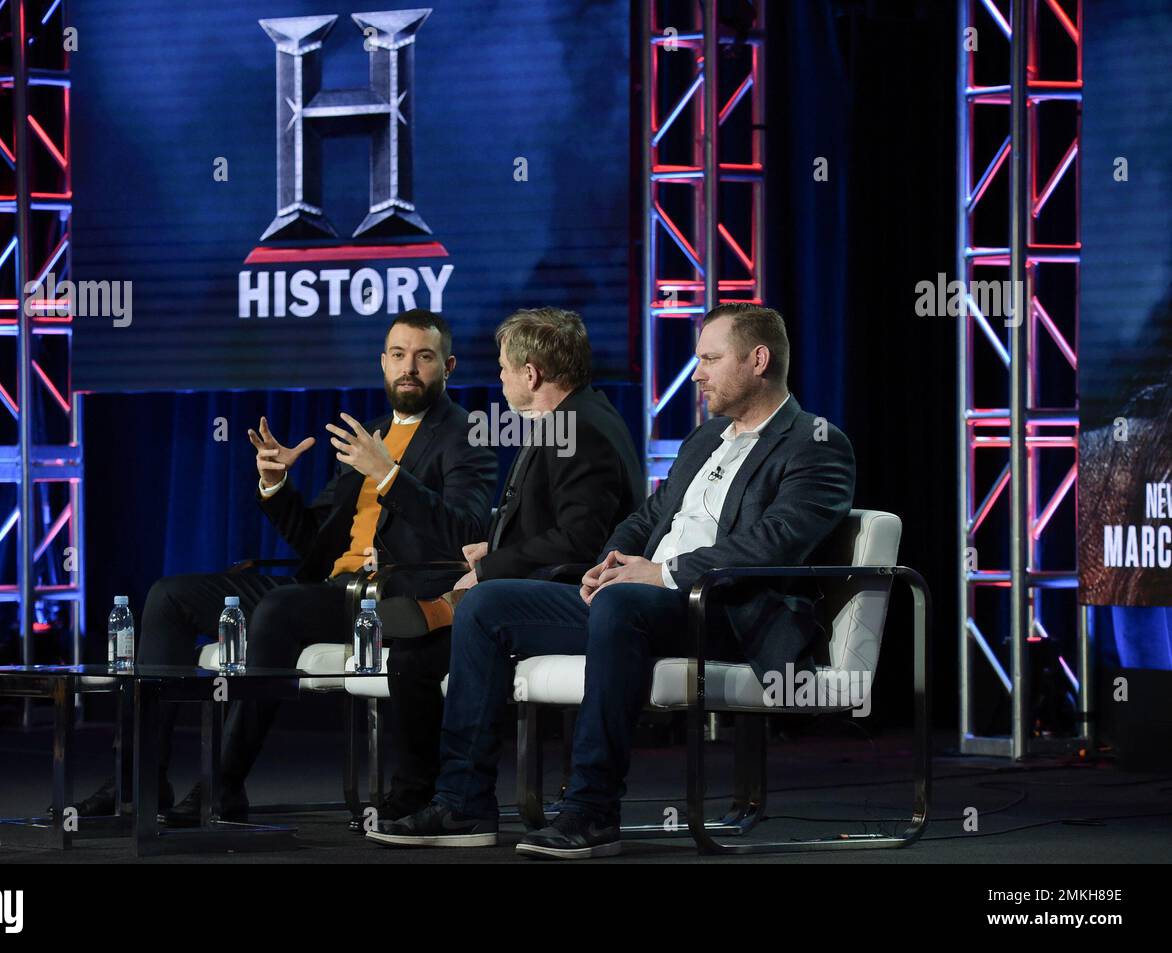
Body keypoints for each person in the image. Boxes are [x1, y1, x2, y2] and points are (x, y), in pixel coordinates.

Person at [368, 303, 856, 859]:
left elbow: (777, 540)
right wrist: (611, 560)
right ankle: (462, 803)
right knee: (486, 605)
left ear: (759, 360)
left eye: (710, 359)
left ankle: (592, 809)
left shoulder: (814, 444)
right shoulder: (706, 439)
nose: (695, 373)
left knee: (621, 605)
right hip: (641, 600)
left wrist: (662, 571)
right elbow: (649, 517)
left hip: (723, 609)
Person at [69, 309, 496, 825]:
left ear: (446, 366)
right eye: (399, 356)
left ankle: (221, 783)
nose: (410, 368)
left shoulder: (463, 434)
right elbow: (313, 543)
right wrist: (274, 484)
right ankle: (135, 782)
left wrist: (389, 474)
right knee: (169, 596)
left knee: (279, 609)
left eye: (424, 357)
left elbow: (466, 531)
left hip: (388, 597)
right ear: (382, 364)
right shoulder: (373, 433)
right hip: (327, 588)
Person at [371, 308, 643, 823]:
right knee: (419, 648)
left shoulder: (580, 429)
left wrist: (494, 567)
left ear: (531, 373)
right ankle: (443, 794)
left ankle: (461, 800)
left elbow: (582, 538)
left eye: (502, 369)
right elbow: (555, 520)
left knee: (482, 608)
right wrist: (490, 547)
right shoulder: (567, 421)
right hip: (553, 585)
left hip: (585, 598)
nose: (498, 378)